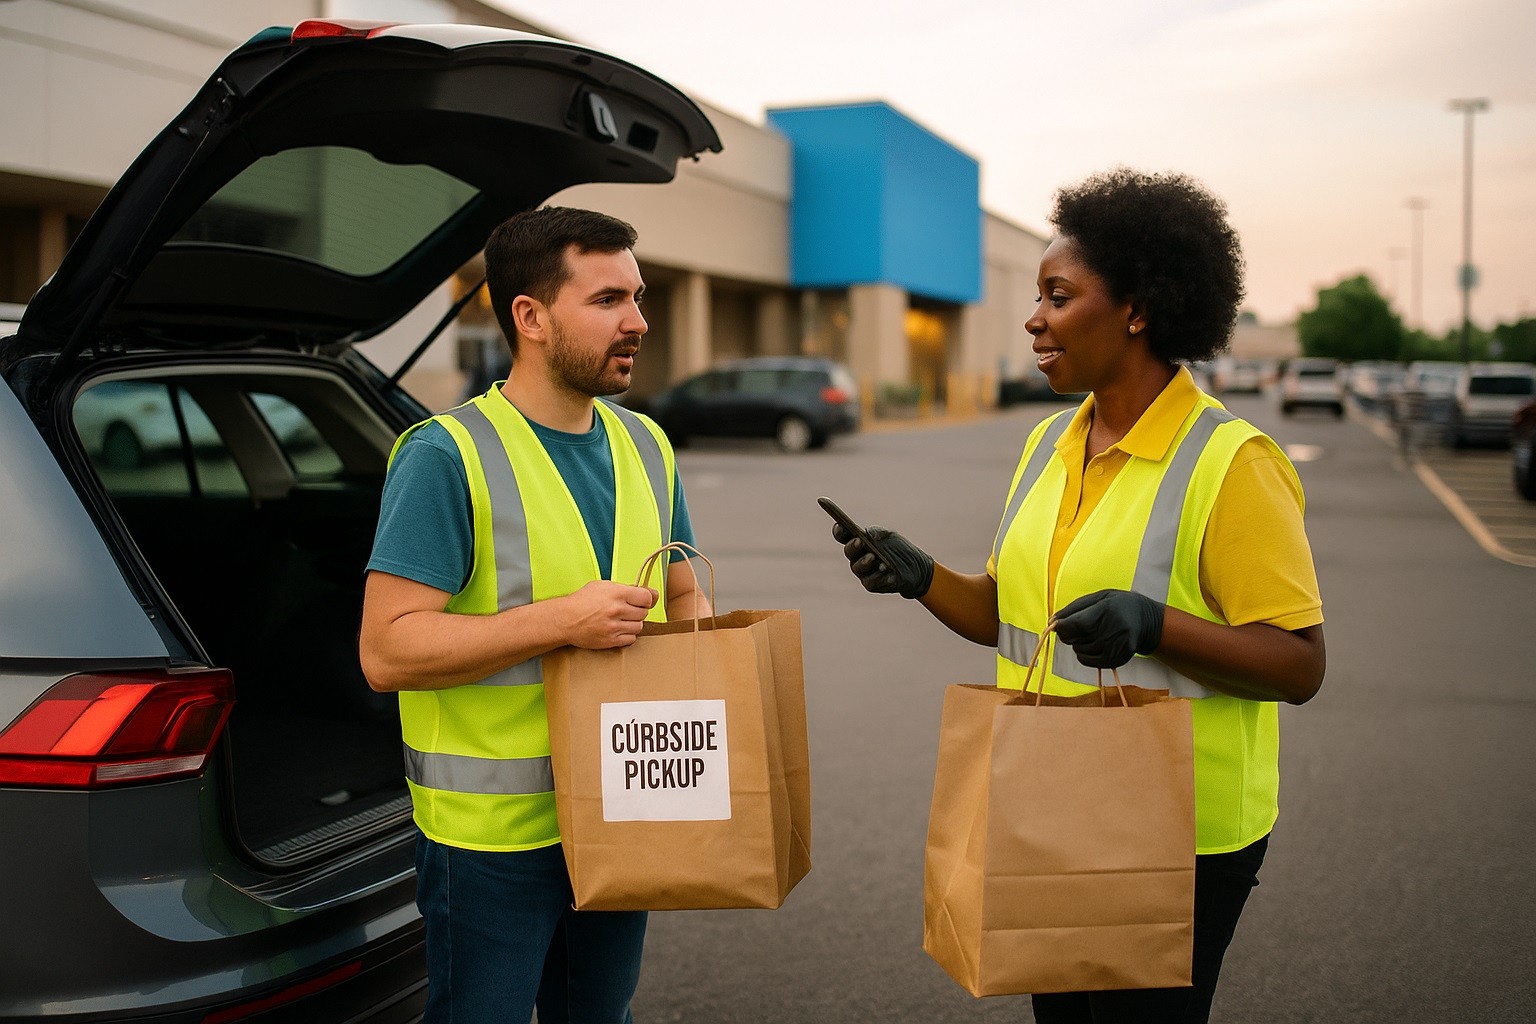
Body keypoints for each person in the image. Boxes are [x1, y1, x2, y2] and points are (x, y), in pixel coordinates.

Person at [829, 168, 1325, 1023]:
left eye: (1058, 297)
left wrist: (1155, 625)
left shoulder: (1232, 462)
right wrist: (920, 579)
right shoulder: (1049, 443)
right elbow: (1008, 618)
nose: (1034, 319)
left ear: (1136, 308)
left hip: (1181, 832)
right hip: (1056, 796)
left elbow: (1299, 664)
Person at [360, 206, 710, 1024]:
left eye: (638, 295)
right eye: (609, 300)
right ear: (532, 317)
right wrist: (564, 621)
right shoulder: (447, 455)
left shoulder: (647, 445)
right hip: (492, 840)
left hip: (623, 809)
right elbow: (387, 649)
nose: (639, 320)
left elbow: (686, 590)